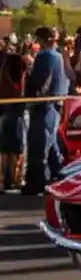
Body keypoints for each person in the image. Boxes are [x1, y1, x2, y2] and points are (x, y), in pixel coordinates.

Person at [23, 27, 69, 194]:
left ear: (44, 40)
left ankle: (37, 181)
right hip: (55, 103)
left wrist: (30, 96)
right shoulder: (58, 56)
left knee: (39, 144)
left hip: (44, 105)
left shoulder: (46, 56)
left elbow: (40, 81)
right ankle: (59, 176)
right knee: (51, 145)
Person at [0, 46, 29, 190]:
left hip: (5, 115)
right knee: (17, 149)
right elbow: (20, 92)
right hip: (17, 115)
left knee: (5, 149)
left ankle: (4, 178)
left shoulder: (3, 78)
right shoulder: (18, 82)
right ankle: (15, 178)